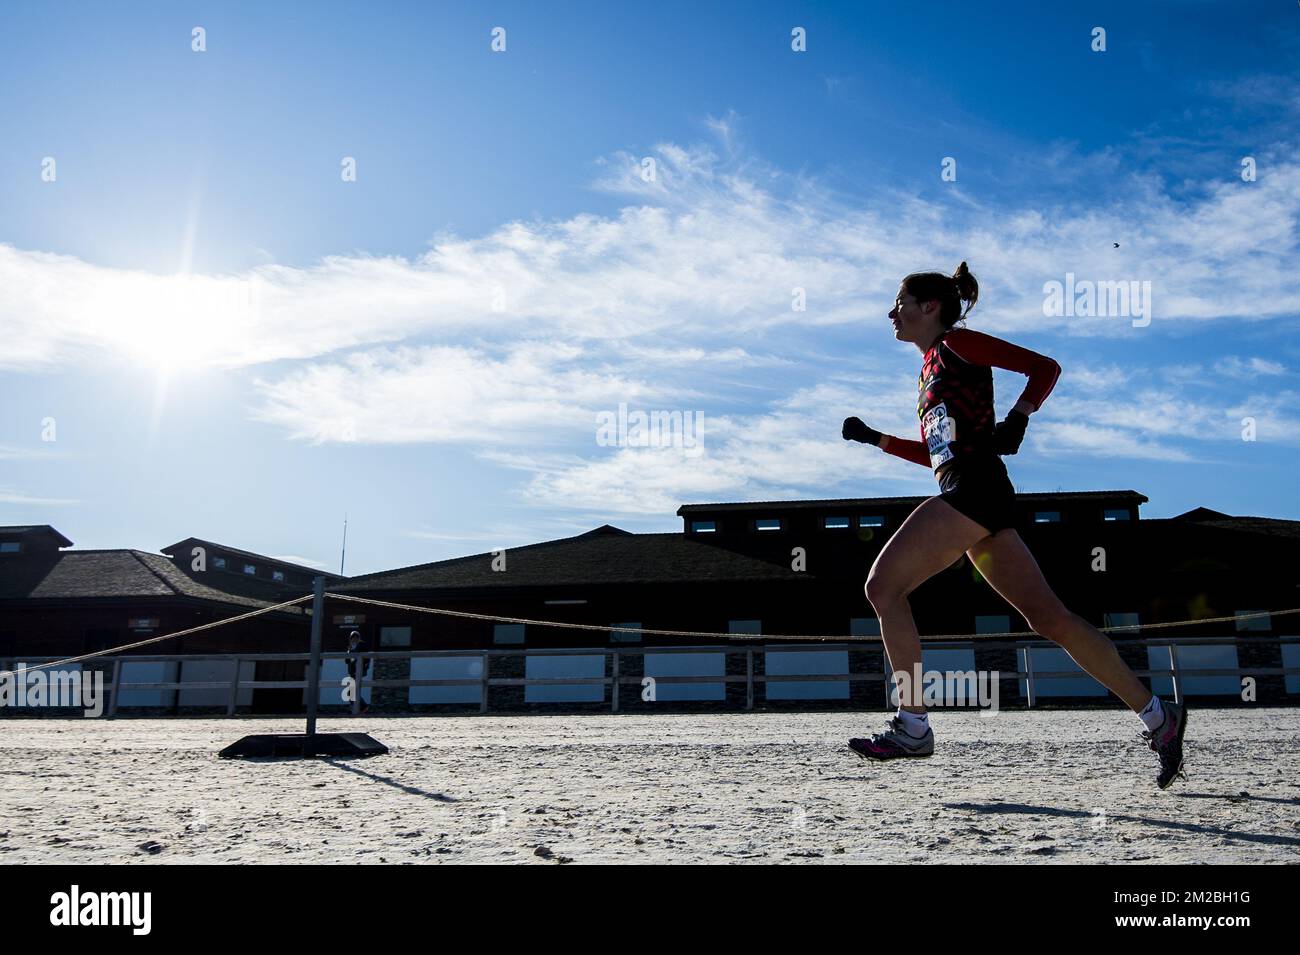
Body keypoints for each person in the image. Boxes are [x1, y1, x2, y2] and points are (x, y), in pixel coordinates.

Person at [841, 262, 1187, 789]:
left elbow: (1045, 367)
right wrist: (878, 440)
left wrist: (1021, 416)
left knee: (883, 587)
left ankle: (913, 726)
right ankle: (1160, 717)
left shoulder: (958, 344)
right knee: (1051, 620)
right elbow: (940, 456)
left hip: (975, 492)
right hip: (976, 491)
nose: (892, 312)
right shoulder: (930, 369)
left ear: (930, 306)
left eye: (900, 302)